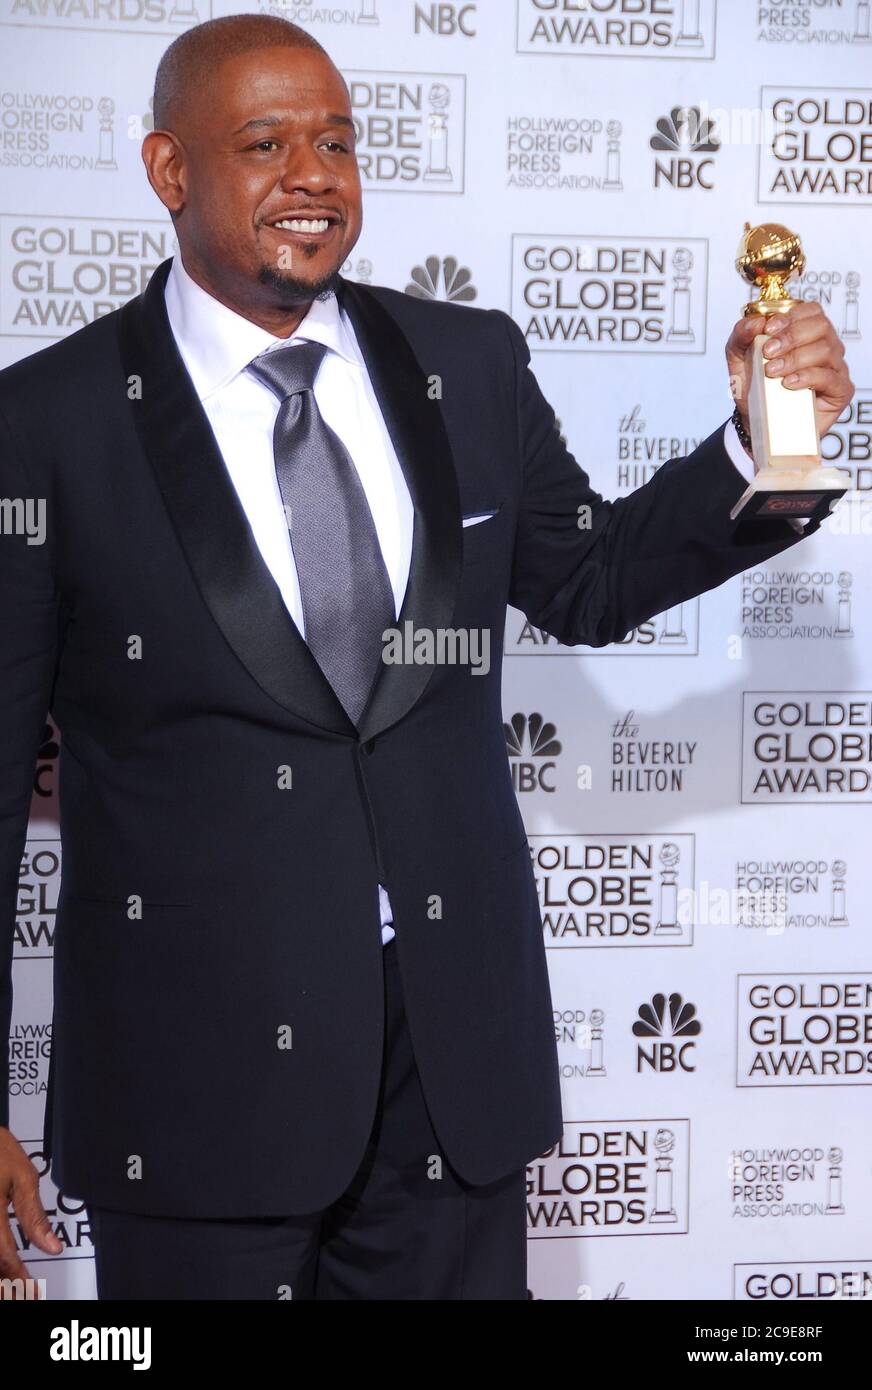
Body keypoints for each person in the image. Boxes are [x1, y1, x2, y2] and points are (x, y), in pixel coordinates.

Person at [0, 15, 854, 1300]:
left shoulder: (467, 363)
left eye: (336, 142)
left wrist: (755, 450)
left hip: (448, 1075)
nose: (313, 175)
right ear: (169, 171)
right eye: (266, 143)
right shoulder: (45, 423)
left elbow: (588, 578)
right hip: (193, 1089)